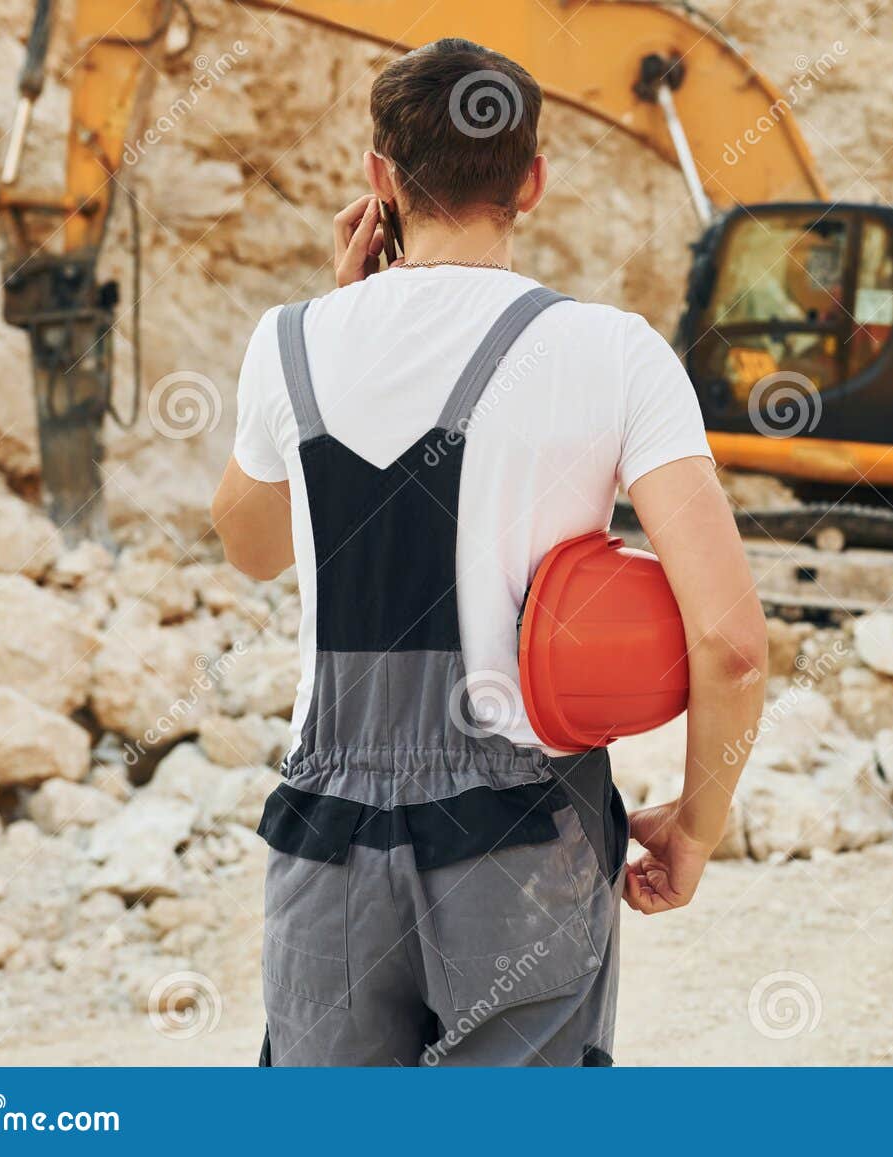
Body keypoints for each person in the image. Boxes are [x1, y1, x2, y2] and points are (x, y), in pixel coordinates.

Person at [210, 37, 767, 1067]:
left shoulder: (287, 339)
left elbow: (248, 545)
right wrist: (694, 824)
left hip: (326, 842)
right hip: (521, 842)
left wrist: (328, 326)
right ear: (534, 181)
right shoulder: (614, 351)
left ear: (379, 178)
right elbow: (732, 642)